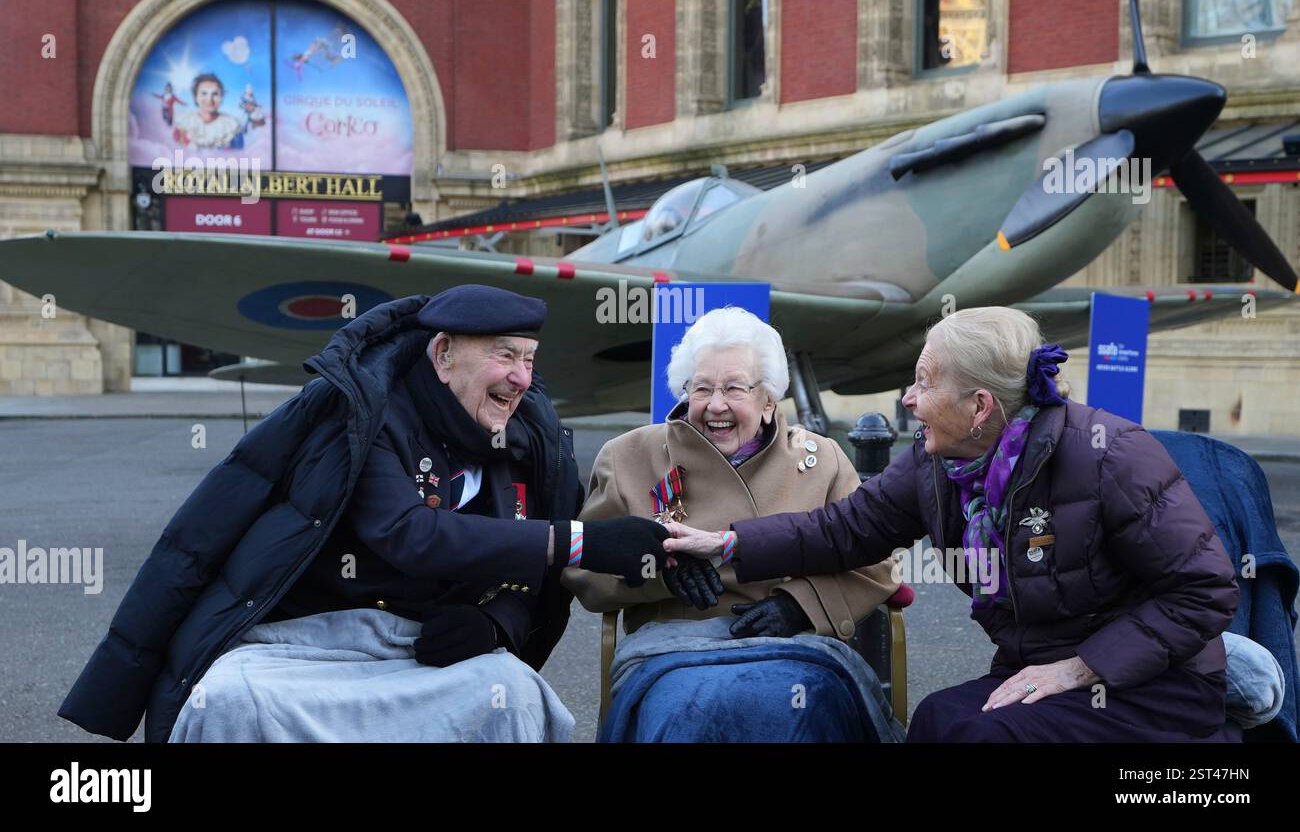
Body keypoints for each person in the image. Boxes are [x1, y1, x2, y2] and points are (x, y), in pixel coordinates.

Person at [58, 286, 668, 742]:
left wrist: (498, 626)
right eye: (504, 355)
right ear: (444, 353)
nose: (520, 378)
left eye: (530, 359)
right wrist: (581, 542)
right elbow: (408, 534)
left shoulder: (526, 435)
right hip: (297, 641)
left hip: (418, 651)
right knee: (229, 702)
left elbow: (523, 574)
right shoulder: (370, 417)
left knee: (518, 702)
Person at [664, 306, 1241, 742]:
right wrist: (729, 542)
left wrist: (1080, 667)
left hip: (1149, 684)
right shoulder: (938, 460)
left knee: (977, 736)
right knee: (939, 721)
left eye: (924, 381)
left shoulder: (1109, 454)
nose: (909, 399)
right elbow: (844, 530)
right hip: (1037, 668)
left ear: (980, 406)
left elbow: (1206, 590)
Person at [565, 307, 904, 742]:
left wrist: (801, 605)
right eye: (702, 388)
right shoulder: (629, 455)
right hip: (674, 651)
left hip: (796, 647)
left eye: (734, 388)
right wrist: (658, 572)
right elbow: (581, 564)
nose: (716, 405)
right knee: (683, 712)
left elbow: (876, 562)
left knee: (803, 708)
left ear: (768, 401)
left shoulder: (820, 459)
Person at [172, 73, 243, 149]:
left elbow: (240, 154)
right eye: (204, 93)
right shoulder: (185, 122)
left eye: (215, 94)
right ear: (196, 97)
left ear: (221, 97)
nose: (209, 99)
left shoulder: (231, 126)